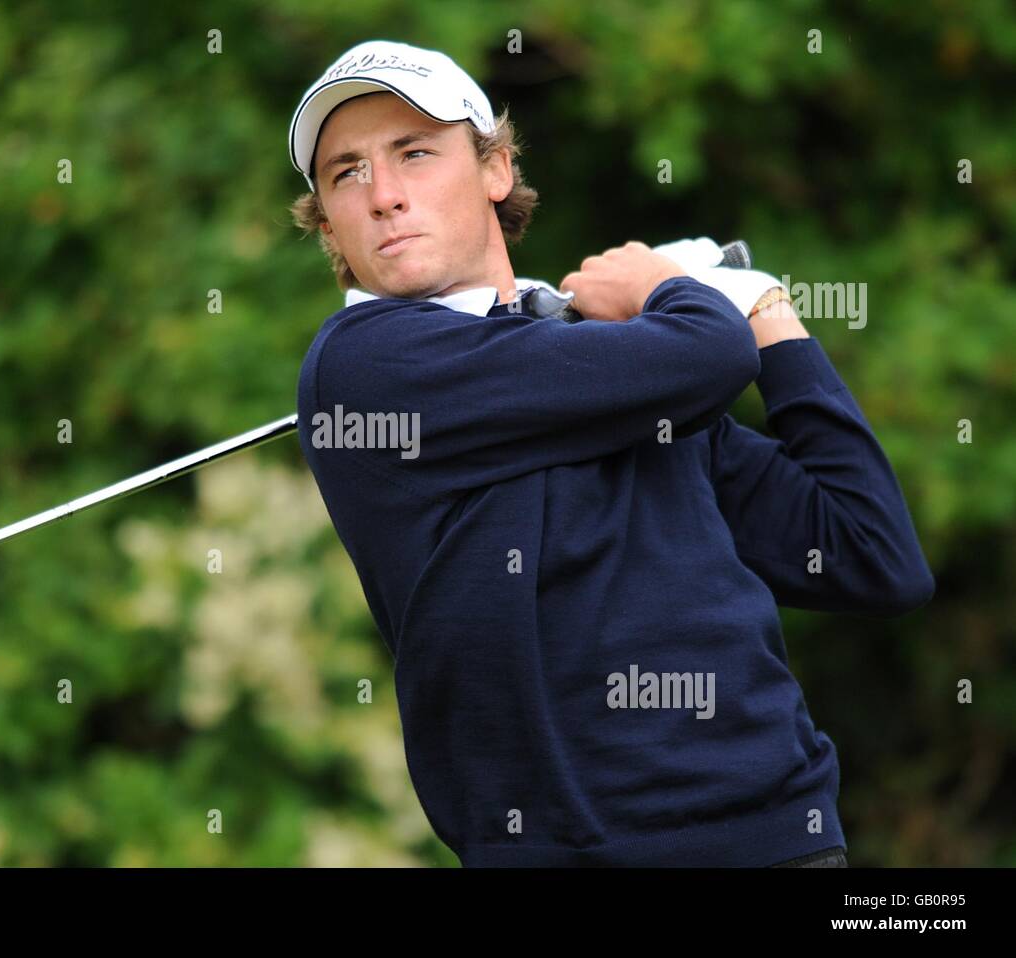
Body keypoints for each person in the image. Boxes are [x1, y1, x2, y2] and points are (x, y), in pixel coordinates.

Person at [286, 39, 933, 867]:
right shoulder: (365, 366)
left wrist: (770, 310)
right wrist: (673, 289)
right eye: (346, 173)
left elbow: (875, 556)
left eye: (415, 153)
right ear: (330, 220)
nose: (383, 196)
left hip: (782, 842)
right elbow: (709, 352)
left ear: (494, 168)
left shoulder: (627, 383)